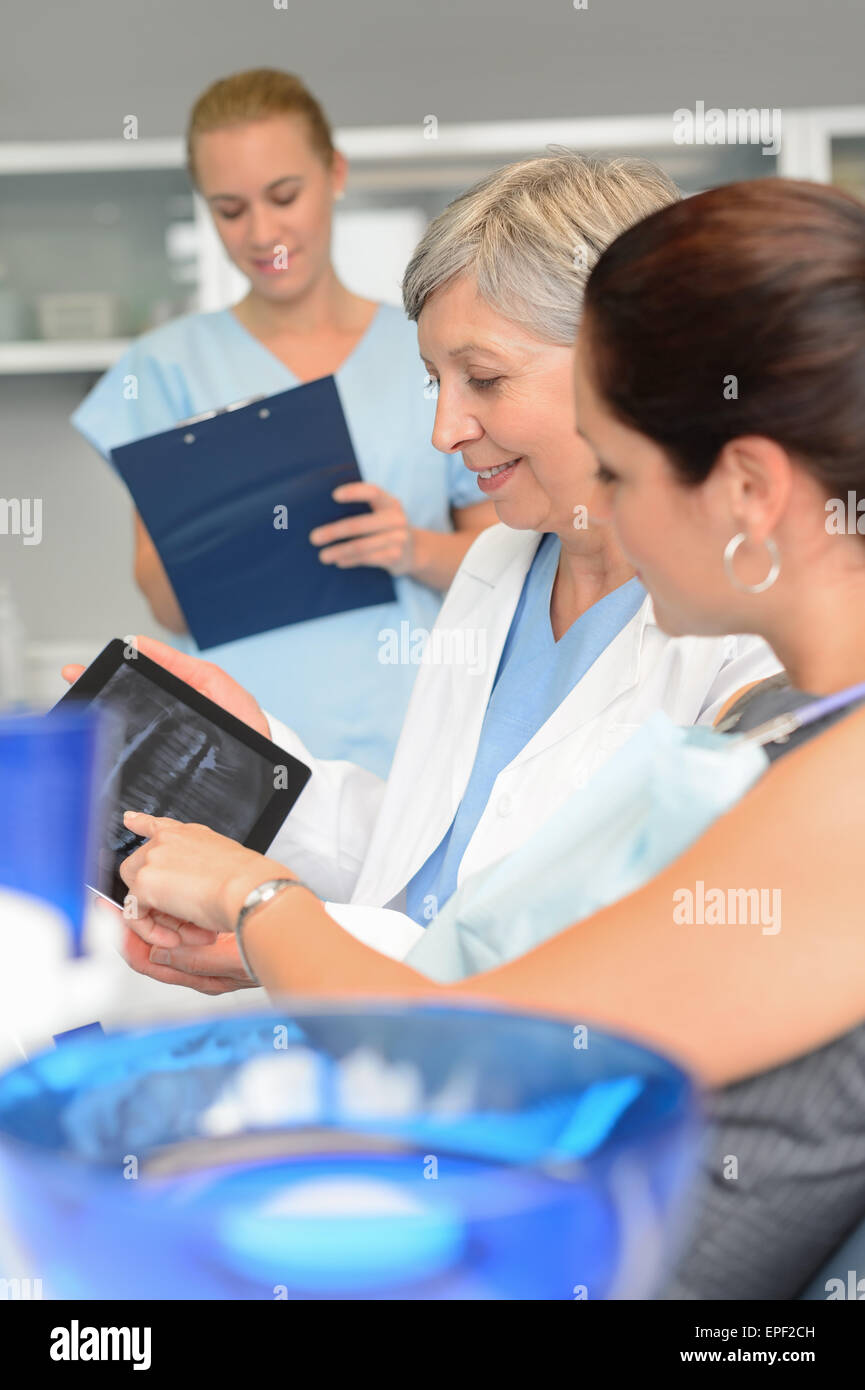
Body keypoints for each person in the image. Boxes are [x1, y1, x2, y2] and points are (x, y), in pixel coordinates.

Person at [113, 178, 865, 1300]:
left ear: (745, 486)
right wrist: (275, 790)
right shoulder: (778, 725)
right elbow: (469, 905)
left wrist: (266, 912)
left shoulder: (807, 764)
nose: (445, 431)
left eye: (618, 468)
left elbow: (483, 1047)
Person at [63, 152, 778, 948]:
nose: (445, 433)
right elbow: (430, 867)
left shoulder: (748, 634)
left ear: (635, 362)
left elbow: (608, 959)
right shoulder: (499, 565)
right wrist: (261, 763)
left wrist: (283, 931)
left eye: (484, 378)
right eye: (435, 381)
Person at [71, 68, 496, 777]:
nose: (262, 232)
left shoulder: (428, 350)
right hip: (236, 747)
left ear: (334, 173)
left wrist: (409, 547)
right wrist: (218, 508)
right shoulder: (167, 367)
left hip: (410, 746)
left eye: (284, 196)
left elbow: (501, 567)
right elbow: (167, 605)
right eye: (230, 209)